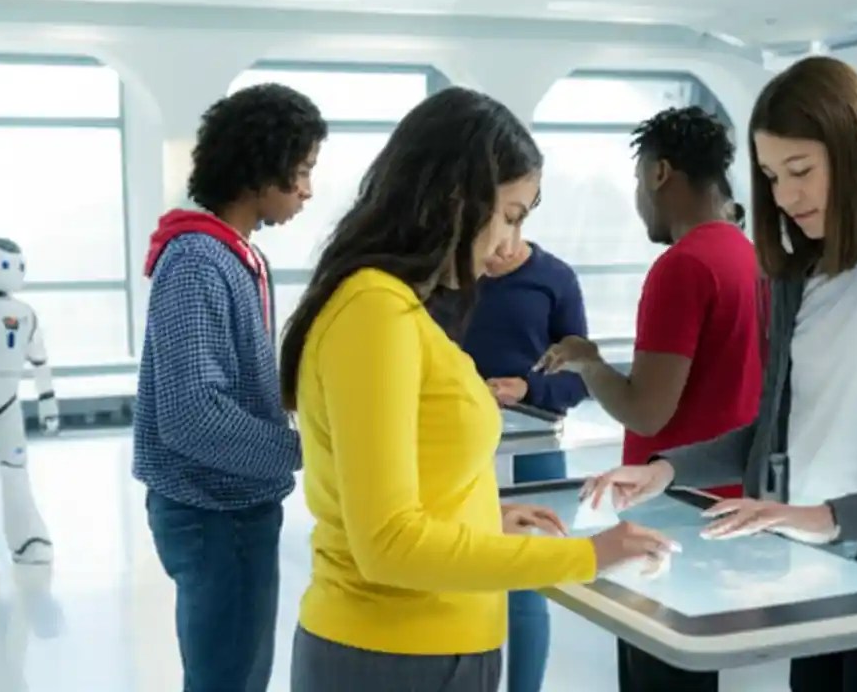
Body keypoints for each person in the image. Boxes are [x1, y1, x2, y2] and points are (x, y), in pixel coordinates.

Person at [579, 56, 857, 692]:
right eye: (770, 176)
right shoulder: (798, 282)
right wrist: (666, 470)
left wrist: (827, 515)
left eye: (801, 171)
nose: (786, 196)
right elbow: (779, 430)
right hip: (815, 585)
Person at [278, 86, 676, 692]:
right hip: (394, 653)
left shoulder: (396, 308)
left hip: (433, 646)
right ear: (455, 201)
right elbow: (387, 543)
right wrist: (590, 557)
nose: (510, 243)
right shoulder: (374, 314)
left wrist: (484, 516)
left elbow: (402, 493)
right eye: (510, 215)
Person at [535, 106, 763, 692]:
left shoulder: (682, 267)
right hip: (733, 506)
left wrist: (588, 363)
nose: (639, 201)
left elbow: (646, 411)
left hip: (671, 515)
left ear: (661, 174)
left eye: (639, 182)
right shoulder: (749, 255)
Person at [132, 83, 327, 692]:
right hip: (215, 509)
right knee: (229, 680)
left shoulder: (234, 255)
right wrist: (311, 450)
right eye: (300, 173)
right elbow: (192, 414)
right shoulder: (197, 260)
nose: (307, 191)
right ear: (257, 171)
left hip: (230, 505)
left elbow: (235, 379)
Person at [448, 224, 590, 692]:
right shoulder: (449, 279)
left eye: (511, 219)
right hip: (459, 449)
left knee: (528, 590)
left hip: (536, 449)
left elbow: (581, 381)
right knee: (460, 577)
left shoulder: (555, 279)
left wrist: (529, 388)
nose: (500, 240)